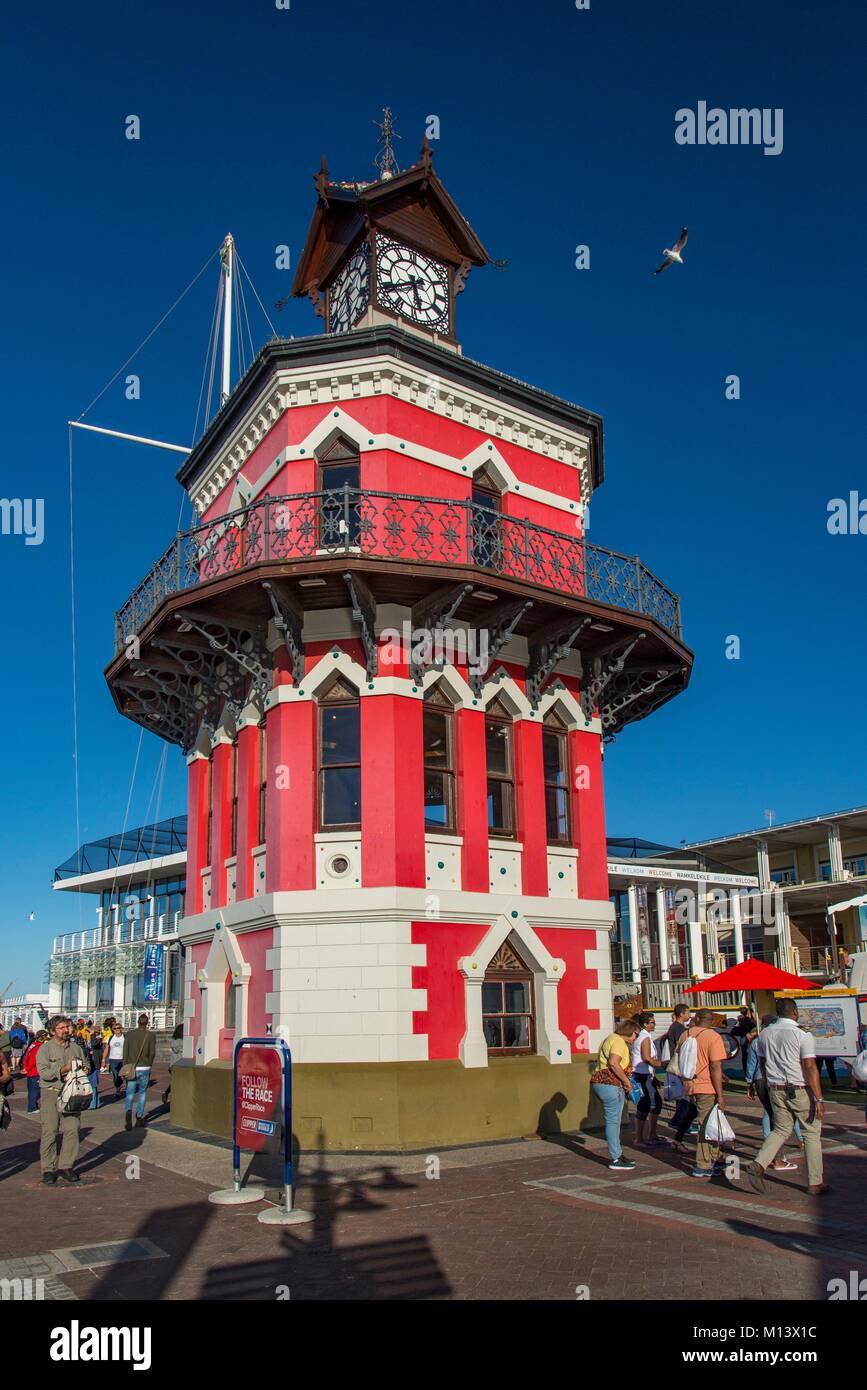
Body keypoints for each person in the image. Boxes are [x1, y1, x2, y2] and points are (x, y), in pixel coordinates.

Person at [747, 998, 828, 1196]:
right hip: (798, 1088)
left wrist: (768, 1082)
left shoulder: (765, 1033)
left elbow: (762, 1061)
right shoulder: (802, 1034)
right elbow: (810, 1067)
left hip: (775, 1087)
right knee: (810, 1133)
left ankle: (759, 1163)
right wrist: (818, 1098)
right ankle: (815, 1182)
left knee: (781, 1129)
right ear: (795, 1012)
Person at [746, 1014, 802, 1172]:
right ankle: (776, 1158)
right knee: (779, 1120)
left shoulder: (759, 1040)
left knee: (772, 1114)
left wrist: (749, 1083)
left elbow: (751, 1063)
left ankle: (772, 1150)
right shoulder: (778, 1038)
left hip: (760, 1080)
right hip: (775, 1080)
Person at [35, 1015, 88, 1184]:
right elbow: (43, 1073)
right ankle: (48, 1169)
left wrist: (84, 1068)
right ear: (52, 1031)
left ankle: (66, 1166)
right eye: (62, 1028)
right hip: (52, 1093)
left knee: (73, 1128)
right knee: (50, 1131)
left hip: (72, 1094)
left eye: (67, 1027)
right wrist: (62, 1069)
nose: (66, 1031)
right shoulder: (45, 1049)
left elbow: (86, 1064)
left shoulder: (76, 1048)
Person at [682, 1008, 728, 1177]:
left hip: (690, 1083)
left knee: (710, 1121)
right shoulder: (713, 1037)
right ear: (711, 1020)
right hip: (707, 1085)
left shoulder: (686, 1035)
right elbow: (715, 1066)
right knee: (706, 1124)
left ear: (697, 1018)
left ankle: (716, 1156)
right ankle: (703, 1163)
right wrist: (721, 1094)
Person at [590, 1018, 640, 1169]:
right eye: (635, 1035)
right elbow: (613, 1062)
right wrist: (627, 1083)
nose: (635, 1039)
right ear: (630, 1032)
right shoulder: (618, 1041)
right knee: (613, 1121)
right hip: (610, 1084)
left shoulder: (611, 1038)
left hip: (604, 1084)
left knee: (615, 1121)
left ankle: (617, 1153)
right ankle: (615, 1158)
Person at [631, 1011, 664, 1147]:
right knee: (646, 1105)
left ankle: (652, 1134)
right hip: (641, 1074)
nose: (654, 1024)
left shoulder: (645, 1036)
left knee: (655, 1103)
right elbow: (647, 1058)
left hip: (646, 1074)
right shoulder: (644, 1037)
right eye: (652, 1022)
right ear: (645, 1024)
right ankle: (639, 1138)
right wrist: (663, 1064)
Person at [122, 1013, 156, 1130]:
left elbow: (125, 1052)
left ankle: (128, 1113)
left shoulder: (129, 1035)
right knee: (142, 1092)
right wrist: (149, 1064)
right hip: (145, 1067)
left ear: (138, 1022)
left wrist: (125, 1065)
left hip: (131, 1067)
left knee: (130, 1092)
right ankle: (139, 1117)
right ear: (147, 1023)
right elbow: (152, 1053)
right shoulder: (150, 1036)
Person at [20, 1029, 47, 1112]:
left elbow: (25, 1057)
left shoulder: (33, 1045)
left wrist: (25, 1067)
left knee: (32, 1090)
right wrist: (27, 1069)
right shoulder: (39, 1047)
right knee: (35, 1091)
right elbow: (34, 1061)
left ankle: (32, 1106)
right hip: (35, 1071)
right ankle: (32, 1108)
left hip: (31, 1072)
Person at [161, 1022, 184, 1106]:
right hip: (180, 1065)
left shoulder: (173, 1041)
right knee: (178, 1083)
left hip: (172, 1065)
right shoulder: (182, 1042)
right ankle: (172, 1096)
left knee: (175, 1082)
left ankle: (166, 1093)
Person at [107, 1024, 126, 1097]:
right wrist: (104, 1059)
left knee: (123, 1075)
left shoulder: (125, 1037)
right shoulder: (111, 1037)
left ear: (121, 1028)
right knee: (115, 1076)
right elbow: (107, 1048)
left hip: (123, 1059)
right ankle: (118, 1090)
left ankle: (121, 1089)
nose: (116, 1029)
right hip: (113, 1059)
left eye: (118, 1028)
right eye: (114, 1028)